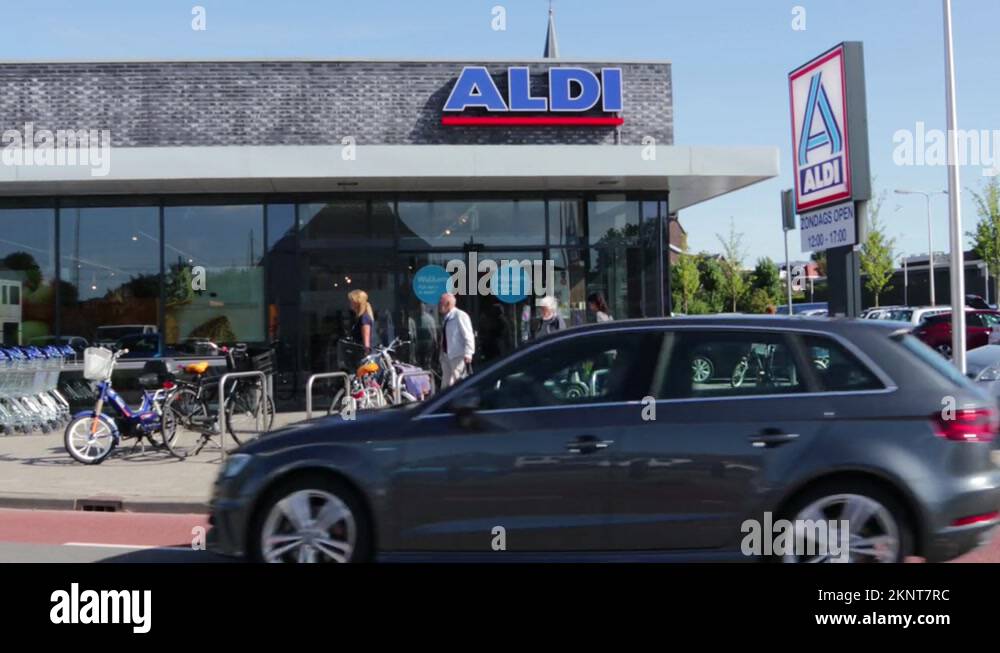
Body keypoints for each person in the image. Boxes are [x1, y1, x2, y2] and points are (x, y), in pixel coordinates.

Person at [438, 293, 475, 387]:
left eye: (441, 303)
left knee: (457, 383)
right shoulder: (446, 318)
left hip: (457, 356)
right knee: (445, 384)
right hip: (446, 356)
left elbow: (468, 335)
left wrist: (468, 353)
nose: (439, 305)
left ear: (448, 304)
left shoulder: (460, 315)